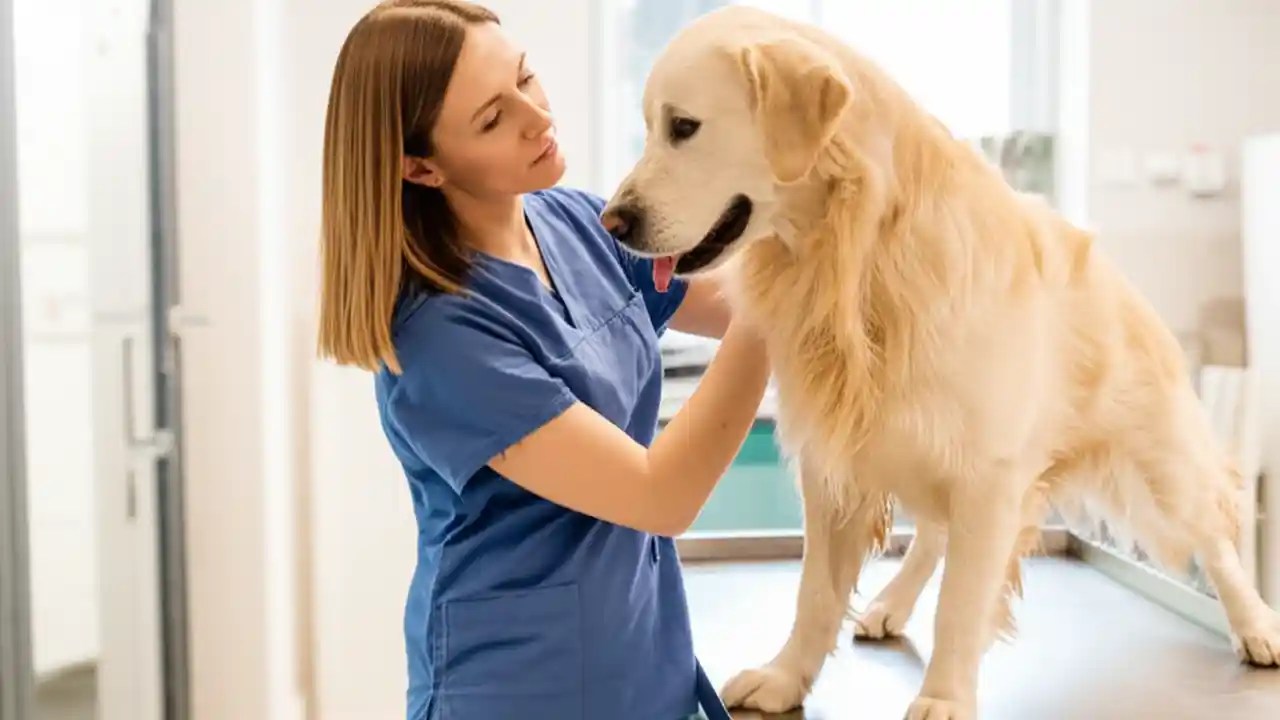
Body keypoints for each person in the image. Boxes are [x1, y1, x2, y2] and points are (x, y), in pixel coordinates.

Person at [317, 2, 770, 718]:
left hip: (641, 664)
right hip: (517, 688)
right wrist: (778, 308)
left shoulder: (575, 223)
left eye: (526, 77)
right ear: (420, 166)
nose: (537, 116)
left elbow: (736, 298)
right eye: (494, 119)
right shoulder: (441, 338)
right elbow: (660, 496)